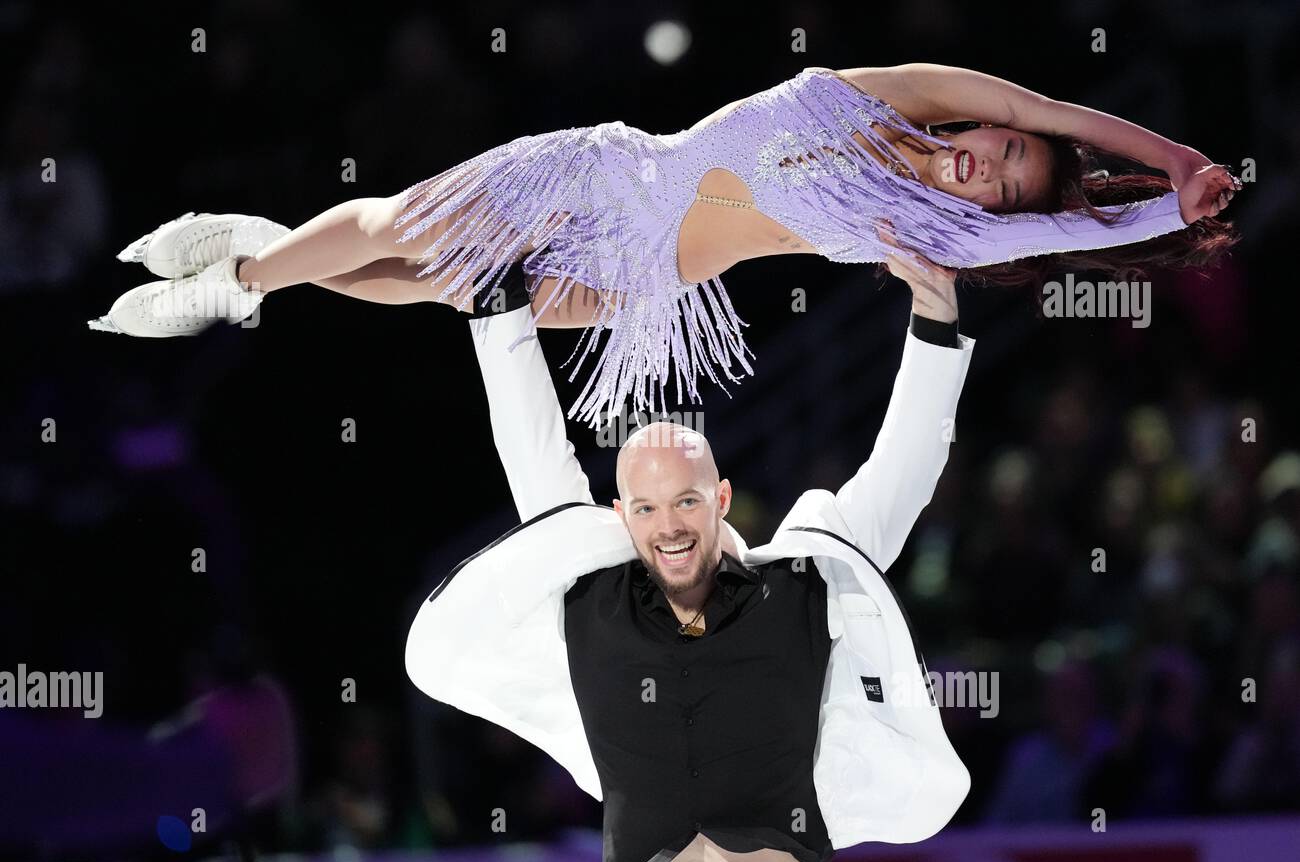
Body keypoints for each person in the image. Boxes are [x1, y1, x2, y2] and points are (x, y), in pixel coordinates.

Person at [94, 64, 1238, 427]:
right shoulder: (894, 94)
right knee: (410, 226)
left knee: (449, 292)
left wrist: (1170, 207)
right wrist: (1179, 152)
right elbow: (1059, 116)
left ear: (998, 214)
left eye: (1009, 187)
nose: (991, 161)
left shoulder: (941, 226)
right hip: (605, 174)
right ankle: (240, 277)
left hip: (649, 277)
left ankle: (260, 259)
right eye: (1004, 146)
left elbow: (1096, 221)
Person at [405, 238, 974, 862]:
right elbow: (532, 454)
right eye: (646, 508)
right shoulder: (589, 599)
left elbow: (905, 470)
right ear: (621, 516)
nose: (669, 526)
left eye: (686, 502)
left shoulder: (801, 588)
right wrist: (500, 305)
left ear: (721, 498)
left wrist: (935, 312)